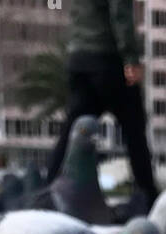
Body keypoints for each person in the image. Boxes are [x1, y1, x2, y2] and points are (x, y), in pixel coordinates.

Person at [46, 0, 157, 211]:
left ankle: (48, 190)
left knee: (71, 130)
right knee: (134, 129)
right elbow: (120, 14)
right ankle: (148, 196)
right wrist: (131, 59)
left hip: (78, 59)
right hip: (108, 57)